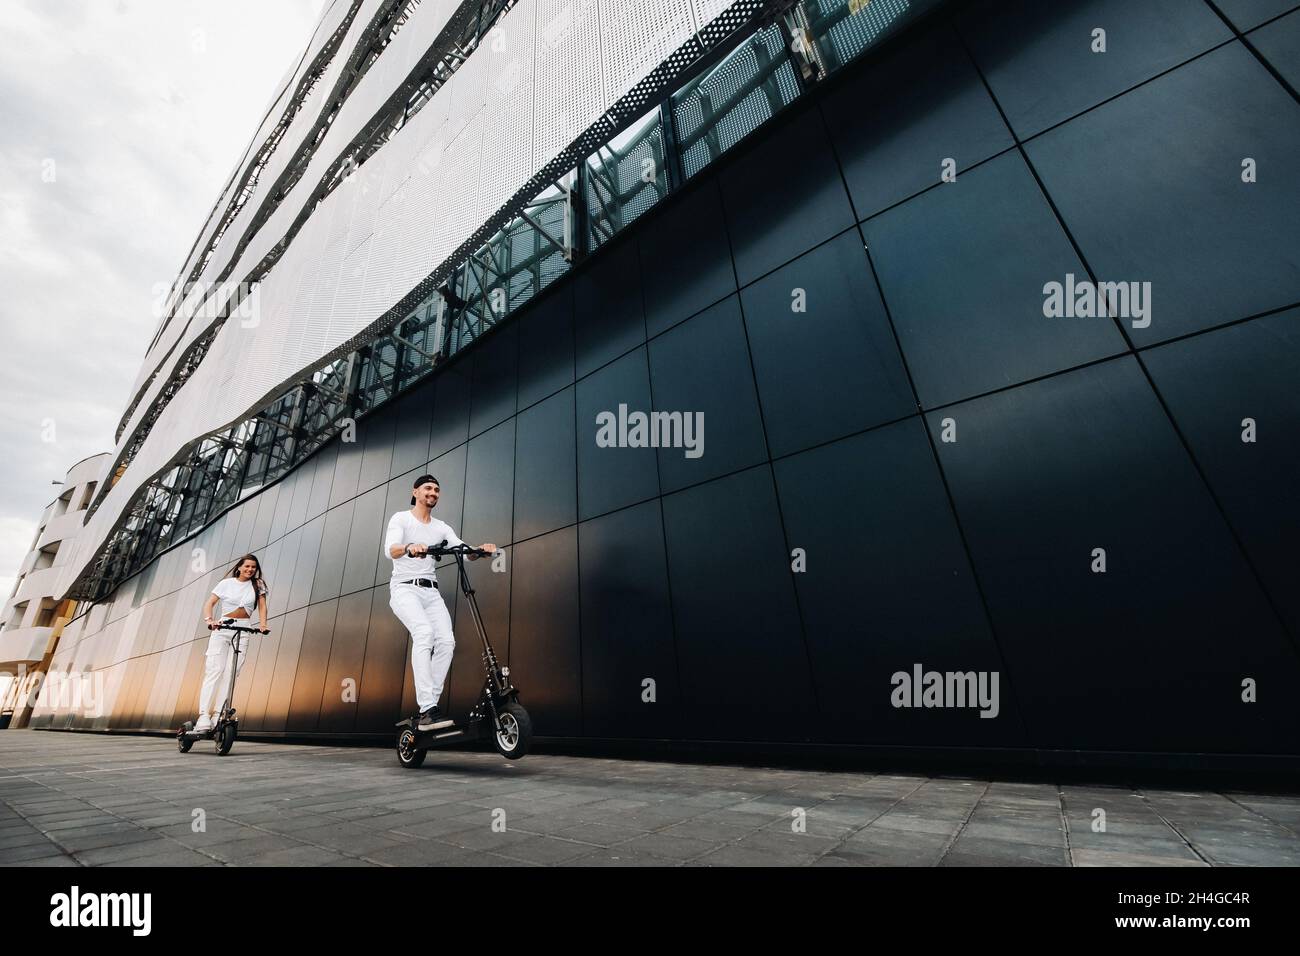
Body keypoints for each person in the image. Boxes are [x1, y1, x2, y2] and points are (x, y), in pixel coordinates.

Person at [386, 474, 496, 731]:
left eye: (436, 489)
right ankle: (427, 708)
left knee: (446, 641)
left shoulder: (442, 527)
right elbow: (390, 549)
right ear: (415, 492)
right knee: (424, 633)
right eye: (428, 488)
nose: (433, 492)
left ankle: (429, 708)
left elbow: (464, 552)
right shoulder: (401, 518)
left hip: (431, 593)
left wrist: (481, 550)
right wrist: (410, 546)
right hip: (404, 589)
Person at [193, 554, 270, 733]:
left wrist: (263, 625)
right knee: (215, 670)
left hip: (244, 629)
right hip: (222, 628)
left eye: (253, 567)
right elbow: (210, 603)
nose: (250, 570)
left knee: (231, 672)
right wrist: (209, 620)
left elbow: (262, 606)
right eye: (247, 566)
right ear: (239, 567)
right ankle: (203, 715)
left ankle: (218, 714)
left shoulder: (258, 584)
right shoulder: (226, 583)